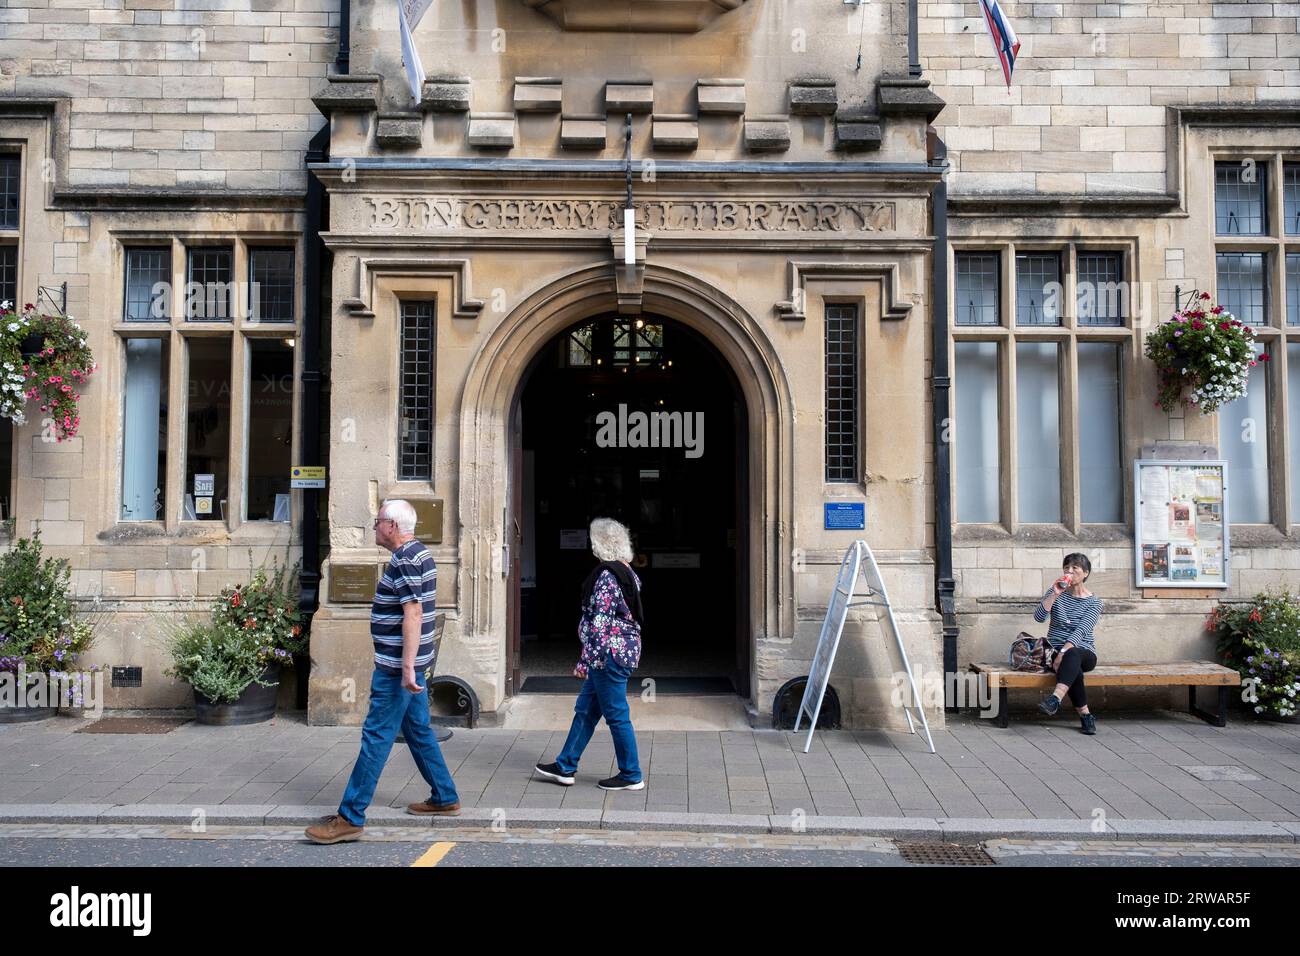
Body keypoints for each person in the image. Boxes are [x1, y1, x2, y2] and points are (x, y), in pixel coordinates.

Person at [305, 499, 461, 844]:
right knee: (419, 731)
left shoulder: (406, 559)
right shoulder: (420, 553)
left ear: (392, 525)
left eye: (377, 522)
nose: (374, 526)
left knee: (376, 737)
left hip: (397, 670)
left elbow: (414, 614)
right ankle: (445, 797)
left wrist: (406, 668)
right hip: (410, 665)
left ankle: (350, 816)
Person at [534, 517, 645, 791]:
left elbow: (601, 622)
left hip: (608, 656)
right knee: (585, 711)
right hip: (617, 652)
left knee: (617, 714)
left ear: (600, 544)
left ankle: (631, 774)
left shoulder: (607, 576)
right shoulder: (626, 571)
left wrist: (586, 660)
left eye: (592, 540)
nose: (589, 544)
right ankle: (565, 766)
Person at [1034, 552, 1103, 735]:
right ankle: (1086, 716)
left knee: (1072, 655)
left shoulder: (1094, 602)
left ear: (1085, 573)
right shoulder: (1056, 592)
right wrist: (1054, 594)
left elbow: (1081, 632)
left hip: (1084, 652)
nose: (1070, 571)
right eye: (1066, 568)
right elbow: (1039, 617)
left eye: (1075, 568)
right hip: (1056, 650)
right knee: (1074, 670)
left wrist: (1063, 652)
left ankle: (1055, 698)